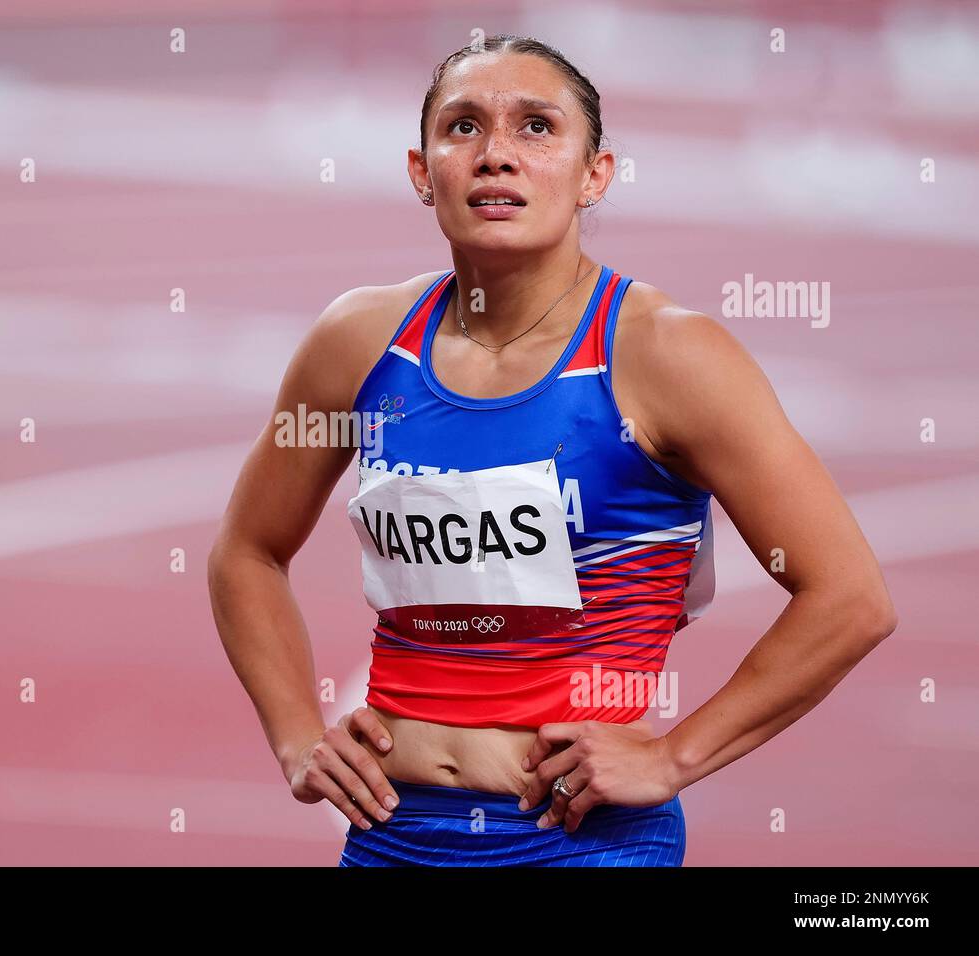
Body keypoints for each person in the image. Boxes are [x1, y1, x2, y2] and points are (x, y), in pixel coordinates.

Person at [207, 34, 896, 866]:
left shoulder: (667, 355)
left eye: (537, 128)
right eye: (463, 127)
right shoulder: (358, 341)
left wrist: (676, 757)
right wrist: (294, 738)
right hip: (392, 836)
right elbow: (248, 550)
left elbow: (850, 597)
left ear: (594, 174)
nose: (497, 155)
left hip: (576, 841)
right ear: (423, 173)